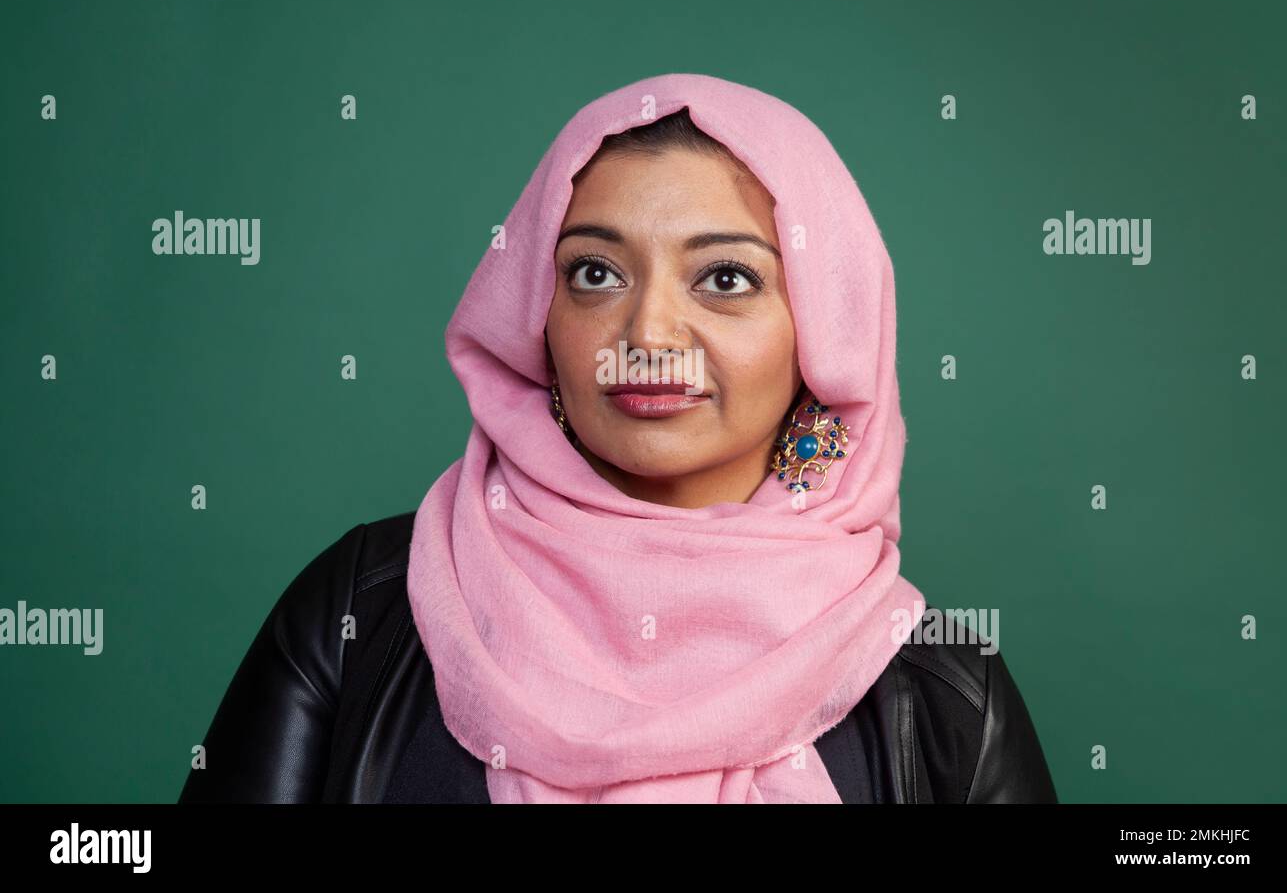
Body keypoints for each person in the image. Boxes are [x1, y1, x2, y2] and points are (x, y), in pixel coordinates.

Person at [179, 73, 1057, 803]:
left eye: (724, 277)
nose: (649, 335)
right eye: (595, 272)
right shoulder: (362, 610)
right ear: (536, 315)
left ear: (825, 335)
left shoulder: (941, 692)